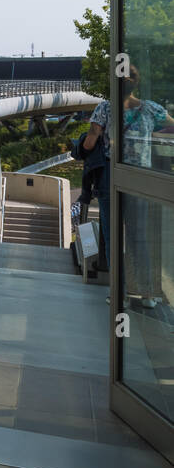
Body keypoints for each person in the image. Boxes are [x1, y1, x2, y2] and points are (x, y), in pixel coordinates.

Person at [81, 65, 174, 308]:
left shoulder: (105, 108)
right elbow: (172, 125)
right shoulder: (151, 108)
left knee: (113, 236)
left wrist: (82, 147)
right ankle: (145, 293)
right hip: (140, 177)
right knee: (139, 237)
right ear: (137, 83)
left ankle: (118, 292)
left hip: (111, 176)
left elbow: (90, 142)